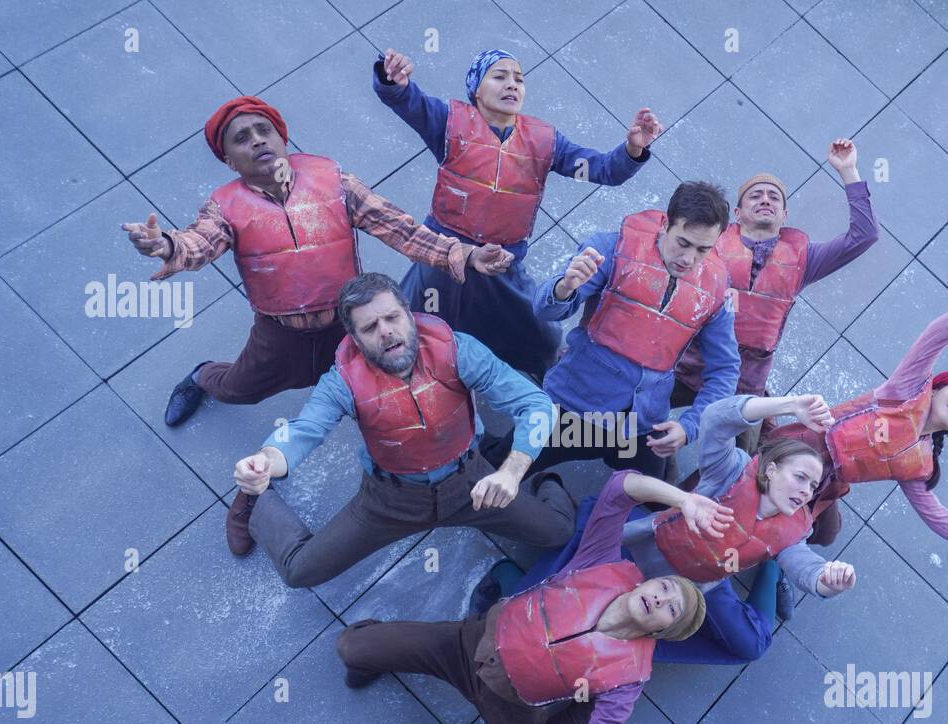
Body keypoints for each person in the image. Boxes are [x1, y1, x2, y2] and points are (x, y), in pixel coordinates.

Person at [334, 470, 710, 724]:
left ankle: (583, 707)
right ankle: (378, 645)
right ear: (647, 582)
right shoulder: (602, 562)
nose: (661, 599)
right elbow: (618, 489)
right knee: (351, 649)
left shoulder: (629, 679)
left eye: (671, 610)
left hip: (513, 707)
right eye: (664, 587)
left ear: (661, 631)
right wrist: (683, 499)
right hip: (469, 644)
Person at [122, 95, 512, 427]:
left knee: (386, 385)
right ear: (230, 161)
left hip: (351, 322)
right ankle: (200, 376)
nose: (257, 141)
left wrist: (464, 254)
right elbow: (199, 241)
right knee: (239, 390)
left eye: (264, 131)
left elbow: (400, 229)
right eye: (242, 139)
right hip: (280, 334)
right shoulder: (224, 205)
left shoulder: (333, 181)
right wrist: (169, 246)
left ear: (282, 137)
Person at [227, 273, 575, 583]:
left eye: (392, 317)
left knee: (560, 531)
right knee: (300, 571)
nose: (386, 331)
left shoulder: (456, 349)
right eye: (369, 328)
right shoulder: (342, 382)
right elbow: (302, 430)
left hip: (470, 483)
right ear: (356, 340)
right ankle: (257, 503)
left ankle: (547, 481)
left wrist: (512, 473)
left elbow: (536, 405)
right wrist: (265, 461)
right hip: (390, 499)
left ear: (409, 314)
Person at [478, 393, 857, 665]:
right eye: (801, 477)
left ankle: (636, 644)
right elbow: (715, 420)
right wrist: (787, 405)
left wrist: (828, 579)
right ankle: (539, 514)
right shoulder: (731, 471)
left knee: (752, 646)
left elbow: (809, 568)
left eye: (812, 486)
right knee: (529, 606)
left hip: (689, 586)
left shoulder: (791, 531)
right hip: (632, 549)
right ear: (772, 469)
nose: (806, 491)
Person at [373, 48, 661, 379]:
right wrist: (391, 79)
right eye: (499, 76)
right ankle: (385, 388)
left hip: (501, 266)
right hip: (443, 259)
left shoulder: (544, 141)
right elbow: (406, 100)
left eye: (519, 79)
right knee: (402, 333)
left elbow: (602, 170)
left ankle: (543, 399)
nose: (512, 84)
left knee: (542, 340)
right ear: (476, 90)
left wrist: (633, 149)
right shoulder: (449, 121)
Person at [484, 180, 741, 480]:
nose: (689, 259)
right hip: (575, 404)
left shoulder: (716, 288)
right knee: (495, 473)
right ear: (665, 225)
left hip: (641, 422)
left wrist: (690, 426)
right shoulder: (612, 247)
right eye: (683, 243)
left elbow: (725, 369)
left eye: (703, 250)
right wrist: (564, 287)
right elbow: (544, 310)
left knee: (656, 507)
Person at [782, 278, 948, 567]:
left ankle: (773, 557)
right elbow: (937, 334)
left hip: (821, 484)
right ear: (937, 389)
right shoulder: (907, 389)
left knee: (826, 532)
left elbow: (939, 518)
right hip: (796, 448)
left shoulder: (920, 465)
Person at [672, 141, 879, 452]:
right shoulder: (708, 244)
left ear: (785, 214)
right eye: (755, 195)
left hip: (745, 385)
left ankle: (690, 499)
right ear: (738, 213)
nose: (765, 200)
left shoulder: (804, 258)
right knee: (636, 417)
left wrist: (848, 170)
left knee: (745, 468)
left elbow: (865, 235)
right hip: (686, 367)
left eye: (774, 197)